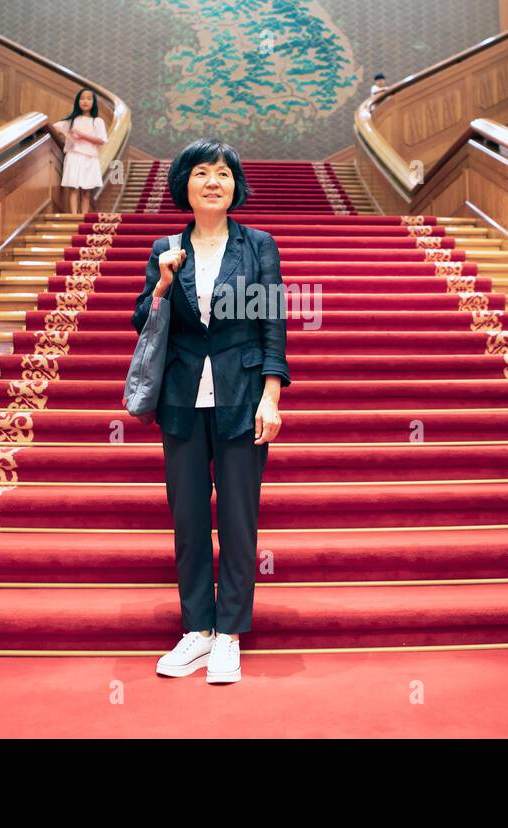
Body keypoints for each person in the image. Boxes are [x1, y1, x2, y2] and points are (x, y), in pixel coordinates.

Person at [130, 138, 290, 684]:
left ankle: (228, 634)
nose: (213, 181)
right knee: (190, 518)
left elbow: (272, 323)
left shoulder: (259, 245)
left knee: (238, 520)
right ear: (186, 185)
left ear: (235, 186)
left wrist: (272, 395)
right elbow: (143, 322)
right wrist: (164, 283)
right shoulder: (166, 246)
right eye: (202, 173)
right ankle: (196, 630)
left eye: (222, 173)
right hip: (181, 396)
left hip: (242, 395)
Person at [51, 88, 108, 214]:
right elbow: (54, 127)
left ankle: (83, 218)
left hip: (90, 158)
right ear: (77, 101)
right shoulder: (72, 120)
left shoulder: (97, 121)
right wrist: (67, 135)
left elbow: (101, 140)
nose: (85, 101)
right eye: (82, 98)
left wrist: (81, 135)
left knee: (86, 192)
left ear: (93, 102)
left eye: (89, 98)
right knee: (74, 189)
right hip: (74, 156)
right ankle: (74, 218)